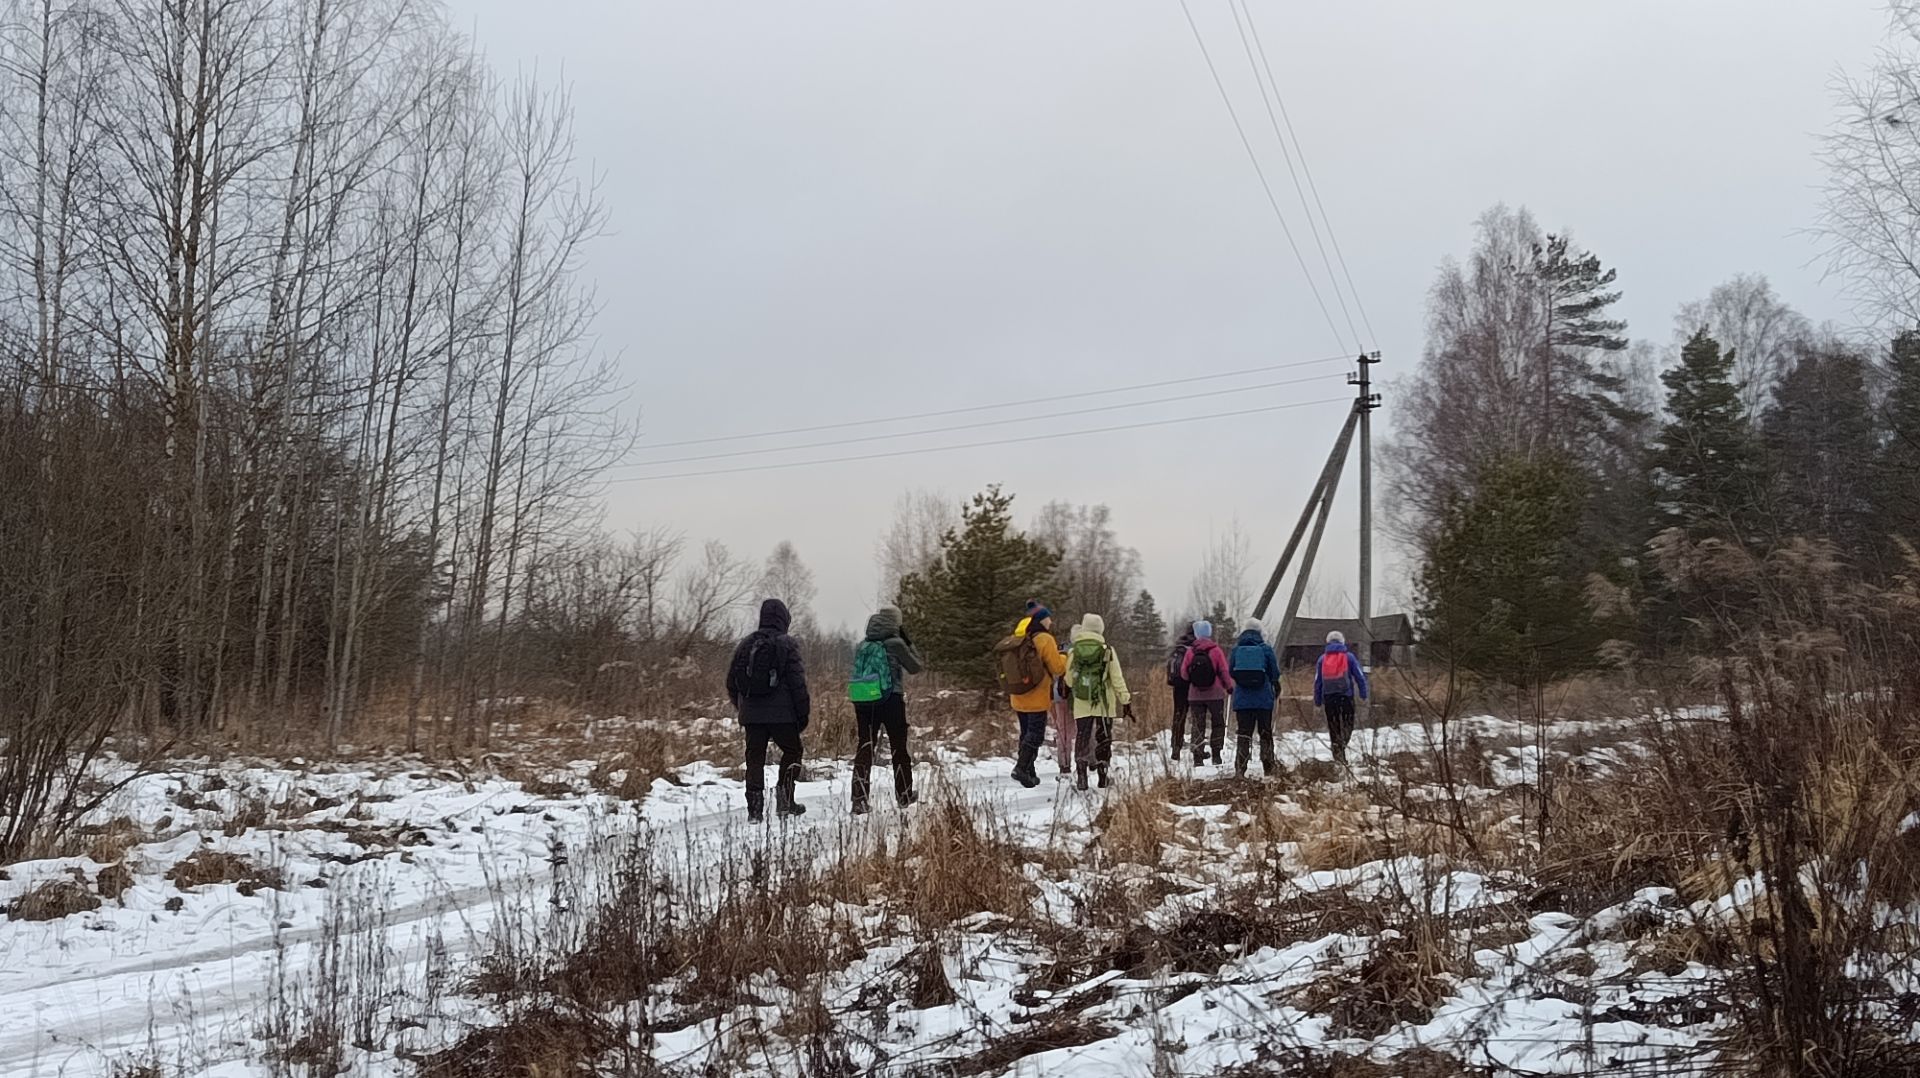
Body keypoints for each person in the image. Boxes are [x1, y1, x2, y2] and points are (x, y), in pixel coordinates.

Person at [726, 598, 811, 821]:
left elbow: (731, 682)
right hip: (782, 716)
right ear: (784, 620)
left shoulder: (745, 644)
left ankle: (754, 811)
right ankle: (785, 801)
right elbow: (797, 684)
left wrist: (743, 707)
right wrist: (802, 714)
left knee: (754, 759)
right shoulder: (787, 644)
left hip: (752, 716)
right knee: (793, 751)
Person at [848, 605, 924, 814]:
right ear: (896, 623)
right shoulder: (896, 643)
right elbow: (916, 666)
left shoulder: (863, 645)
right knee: (898, 748)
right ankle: (904, 794)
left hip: (864, 700)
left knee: (865, 748)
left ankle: (859, 800)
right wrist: (908, 642)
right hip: (891, 699)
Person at [1000, 602, 1068, 788]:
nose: (1050, 622)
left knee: (1026, 733)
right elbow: (1058, 668)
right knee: (1036, 735)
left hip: (1018, 694)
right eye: (1048, 618)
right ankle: (1021, 768)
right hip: (1037, 696)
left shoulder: (1018, 638)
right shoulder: (1045, 639)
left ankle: (1029, 773)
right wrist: (1064, 656)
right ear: (1041, 620)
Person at [1066, 613, 1132, 789]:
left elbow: (1069, 680)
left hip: (1081, 704)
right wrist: (1125, 699)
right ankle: (1103, 776)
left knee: (1082, 737)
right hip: (1104, 704)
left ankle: (1082, 776)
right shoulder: (1107, 650)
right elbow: (1116, 678)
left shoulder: (1074, 651)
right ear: (1100, 629)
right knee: (1103, 739)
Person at [1228, 618, 1284, 779]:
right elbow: (1275, 673)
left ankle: (1240, 769)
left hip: (1243, 701)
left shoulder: (1236, 650)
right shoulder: (1266, 649)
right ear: (1260, 632)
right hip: (1263, 700)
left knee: (1244, 734)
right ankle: (1268, 767)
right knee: (1265, 733)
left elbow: (1231, 671)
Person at [1314, 630, 1370, 765]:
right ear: (1342, 641)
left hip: (1329, 697)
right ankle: (1342, 745)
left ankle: (1338, 756)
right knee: (1348, 724)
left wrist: (1318, 700)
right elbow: (1359, 676)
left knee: (1333, 727)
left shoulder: (1322, 659)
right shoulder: (1349, 657)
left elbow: (1318, 681)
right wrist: (1363, 693)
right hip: (1346, 696)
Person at [1180, 620, 1232, 767]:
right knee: (1218, 723)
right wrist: (1229, 687)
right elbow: (1224, 671)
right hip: (1215, 694)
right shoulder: (1216, 650)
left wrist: (1193, 680)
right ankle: (1216, 754)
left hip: (1195, 695)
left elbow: (1184, 674)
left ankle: (1198, 756)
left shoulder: (1191, 651)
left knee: (1198, 724)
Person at [1165, 625, 1196, 760]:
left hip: (1178, 686)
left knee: (1178, 715)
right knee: (1196, 716)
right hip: (1193, 686)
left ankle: (1175, 747)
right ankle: (1197, 748)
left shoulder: (1179, 646)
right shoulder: (1196, 647)